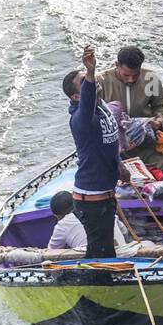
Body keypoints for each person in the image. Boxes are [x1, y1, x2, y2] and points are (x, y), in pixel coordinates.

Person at [61, 42, 129, 259]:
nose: (93, 80)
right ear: (76, 97)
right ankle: (95, 287)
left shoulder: (103, 109)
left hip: (106, 195)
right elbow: (88, 100)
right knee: (102, 255)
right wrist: (90, 71)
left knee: (106, 250)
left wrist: (120, 166)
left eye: (90, 77)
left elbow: (108, 144)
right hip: (92, 199)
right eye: (83, 82)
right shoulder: (80, 119)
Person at [98, 45, 163, 174]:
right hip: (113, 147)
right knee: (107, 176)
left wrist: (159, 122)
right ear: (116, 65)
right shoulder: (101, 81)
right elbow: (91, 115)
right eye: (126, 75)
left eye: (135, 75)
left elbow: (161, 107)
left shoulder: (150, 79)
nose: (131, 79)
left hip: (145, 143)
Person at [47, 189, 128, 252]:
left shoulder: (63, 224)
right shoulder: (102, 208)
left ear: (59, 216)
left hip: (96, 264)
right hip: (125, 256)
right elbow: (124, 232)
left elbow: (51, 252)